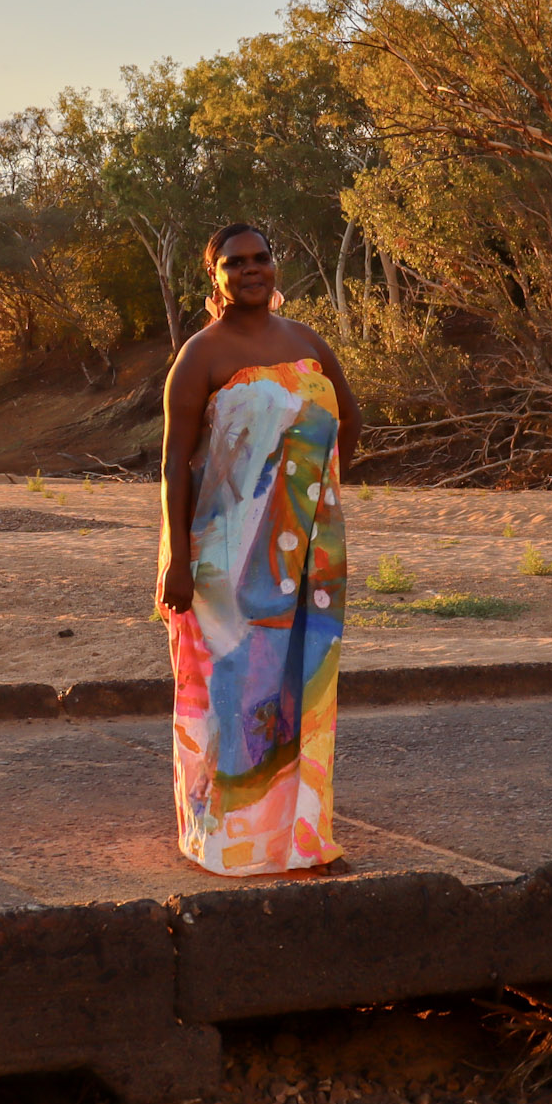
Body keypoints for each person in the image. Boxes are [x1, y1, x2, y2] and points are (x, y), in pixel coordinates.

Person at [157, 223, 363, 875]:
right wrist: (178, 562)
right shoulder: (200, 355)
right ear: (214, 278)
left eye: (261, 258)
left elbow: (349, 421)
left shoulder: (307, 341)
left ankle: (302, 839)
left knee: (306, 691)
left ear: (276, 264)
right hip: (226, 560)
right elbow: (173, 464)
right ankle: (225, 843)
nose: (251, 270)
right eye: (234, 262)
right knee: (237, 694)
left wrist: (314, 500)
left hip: (310, 554)